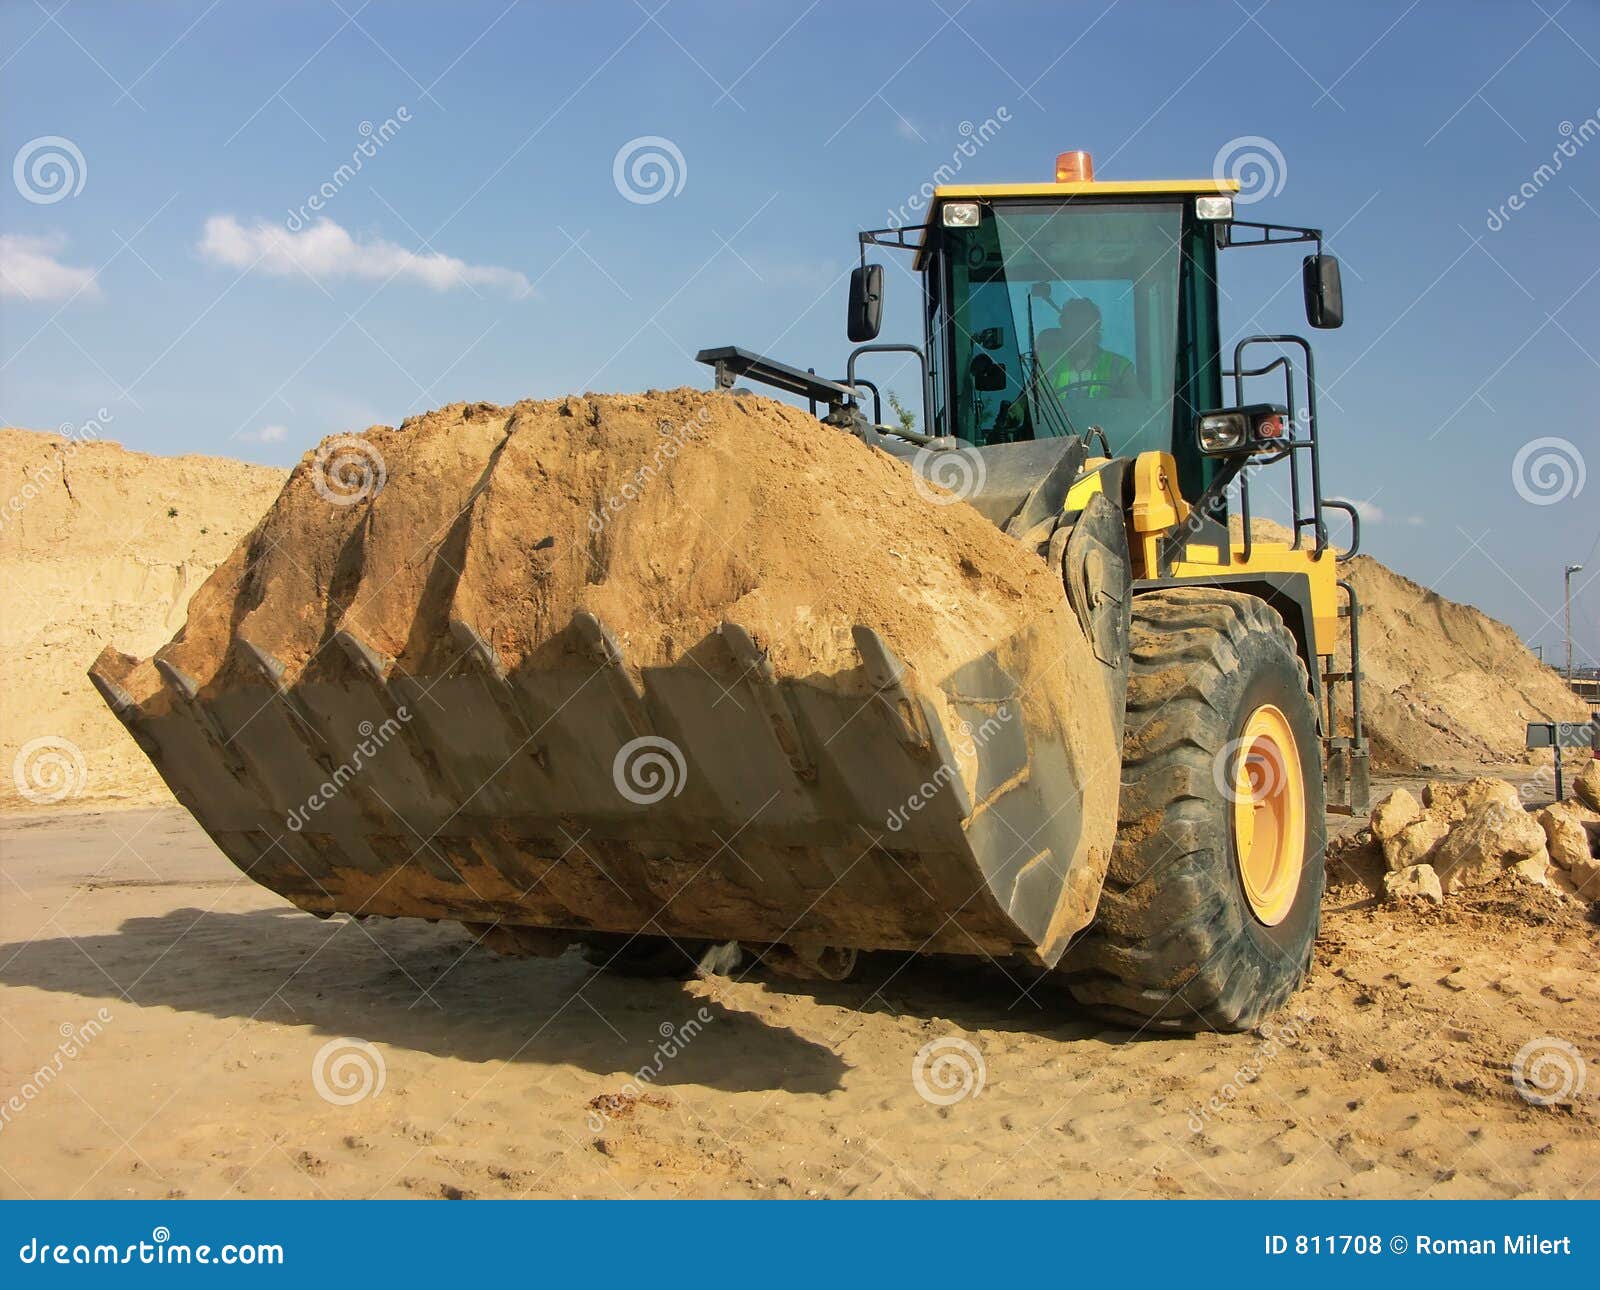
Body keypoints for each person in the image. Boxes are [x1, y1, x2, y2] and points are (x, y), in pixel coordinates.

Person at [1046, 298, 1136, 398]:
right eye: (1072, 325)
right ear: (1063, 328)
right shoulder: (1045, 364)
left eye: (1084, 325)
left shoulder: (1119, 367)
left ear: (1096, 327)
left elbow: (1139, 407)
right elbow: (1028, 404)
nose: (1079, 332)